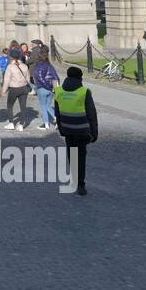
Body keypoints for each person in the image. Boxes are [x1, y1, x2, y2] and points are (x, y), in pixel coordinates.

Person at [54, 66, 98, 196]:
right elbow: (92, 114)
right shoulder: (84, 92)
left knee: (72, 155)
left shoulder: (59, 91)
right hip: (82, 130)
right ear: (80, 78)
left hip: (67, 128)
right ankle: (80, 184)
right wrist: (94, 133)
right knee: (81, 156)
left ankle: (74, 180)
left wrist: (61, 129)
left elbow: (58, 113)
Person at [0, 46, 31, 130]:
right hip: (24, 88)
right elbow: (28, 79)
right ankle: (21, 124)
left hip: (14, 89)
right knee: (23, 107)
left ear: (11, 57)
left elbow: (6, 80)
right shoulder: (24, 66)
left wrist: (4, 91)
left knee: (10, 106)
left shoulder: (10, 67)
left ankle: (11, 123)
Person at [31, 46, 60, 131]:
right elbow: (56, 77)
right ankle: (57, 119)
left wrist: (47, 87)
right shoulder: (50, 65)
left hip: (43, 88)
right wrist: (53, 88)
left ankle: (46, 124)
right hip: (51, 89)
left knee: (43, 106)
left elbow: (39, 78)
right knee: (48, 106)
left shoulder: (38, 66)